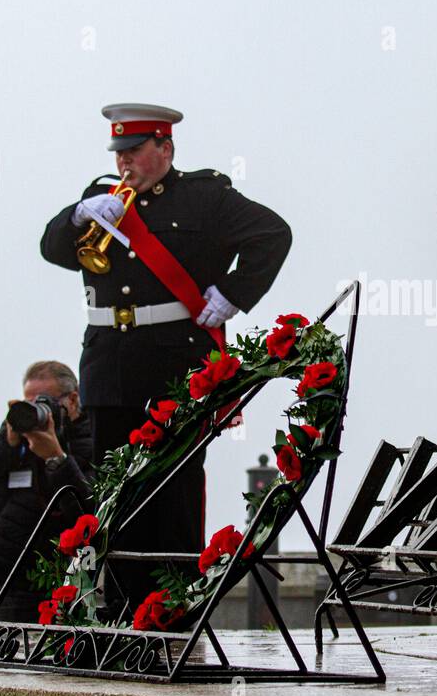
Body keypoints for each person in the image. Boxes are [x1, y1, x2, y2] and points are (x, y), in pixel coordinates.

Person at [40, 103, 291, 618]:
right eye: (120, 152)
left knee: (174, 490)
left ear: (165, 148)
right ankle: (127, 611)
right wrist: (77, 215)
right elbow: (50, 248)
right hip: (110, 364)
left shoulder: (204, 196)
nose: (126, 161)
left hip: (175, 364)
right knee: (117, 491)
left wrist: (236, 293)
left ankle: (173, 612)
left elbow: (273, 234)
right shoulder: (104, 197)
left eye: (135, 150)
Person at [0, 361, 93, 627]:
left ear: (72, 400)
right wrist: (6, 442)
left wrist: (56, 459)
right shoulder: (14, 435)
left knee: (8, 667)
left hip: (27, 589)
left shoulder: (87, 439)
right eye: (29, 401)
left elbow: (86, 512)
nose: (35, 410)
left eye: (44, 401)